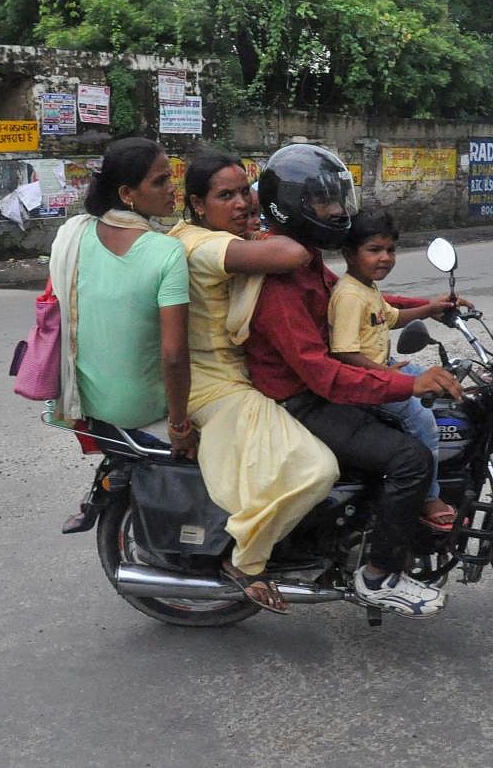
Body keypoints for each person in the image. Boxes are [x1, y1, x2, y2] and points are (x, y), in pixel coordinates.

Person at [243, 144, 463, 619]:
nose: (336, 210)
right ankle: (378, 575)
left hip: (321, 387)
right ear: (295, 205)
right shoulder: (280, 282)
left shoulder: (301, 260)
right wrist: (408, 384)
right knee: (410, 458)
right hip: (301, 399)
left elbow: (363, 301)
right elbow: (325, 374)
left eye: (336, 199)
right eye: (324, 202)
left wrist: (430, 306)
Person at [168, 149, 339, 614]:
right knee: (316, 470)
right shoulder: (200, 244)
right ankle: (245, 560)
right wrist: (307, 214)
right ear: (199, 205)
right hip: (217, 386)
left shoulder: (227, 236)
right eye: (227, 196)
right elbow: (291, 253)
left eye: (246, 191)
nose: (243, 203)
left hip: (243, 376)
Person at [48, 137, 197, 465]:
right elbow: (173, 356)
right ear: (127, 194)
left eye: (171, 177)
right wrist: (179, 426)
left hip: (87, 402)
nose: (172, 188)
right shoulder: (167, 252)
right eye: (159, 181)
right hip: (139, 410)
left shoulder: (74, 234)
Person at [329, 209, 471, 533]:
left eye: (390, 250)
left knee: (446, 381)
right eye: (374, 250)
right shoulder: (350, 295)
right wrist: (388, 376)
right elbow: (345, 352)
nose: (385, 258)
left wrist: (431, 309)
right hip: (365, 384)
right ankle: (429, 497)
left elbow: (392, 317)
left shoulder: (366, 287)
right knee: (422, 418)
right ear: (350, 253)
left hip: (384, 371)